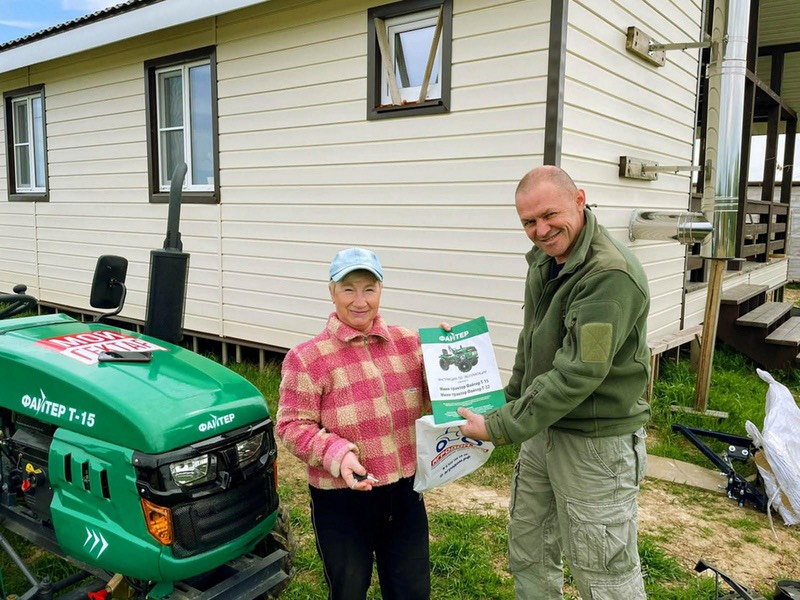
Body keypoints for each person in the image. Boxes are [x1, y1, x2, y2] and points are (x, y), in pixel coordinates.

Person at [457, 166, 651, 599]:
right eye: (529, 221)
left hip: (593, 444)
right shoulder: (546, 261)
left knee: (602, 569)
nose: (541, 230)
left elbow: (579, 371)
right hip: (544, 429)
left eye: (550, 215)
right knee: (530, 547)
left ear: (579, 200)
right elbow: (532, 347)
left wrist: (499, 426)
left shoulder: (608, 275)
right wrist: (504, 404)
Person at [276, 247, 431, 600]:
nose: (359, 301)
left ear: (381, 291)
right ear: (331, 292)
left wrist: (450, 350)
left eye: (369, 289)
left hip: (404, 491)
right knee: (348, 590)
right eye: (348, 289)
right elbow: (291, 425)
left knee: (412, 589)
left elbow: (439, 399)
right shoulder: (307, 358)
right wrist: (339, 455)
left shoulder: (409, 344)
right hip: (340, 500)